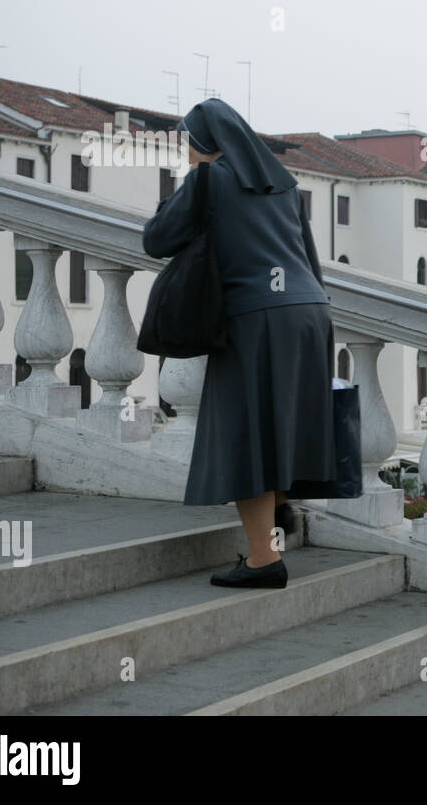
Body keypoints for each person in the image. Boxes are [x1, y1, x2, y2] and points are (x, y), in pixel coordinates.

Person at [143, 98, 334, 589]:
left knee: (244, 438)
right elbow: (308, 257)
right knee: (282, 425)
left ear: (207, 145)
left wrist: (186, 190)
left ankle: (263, 561)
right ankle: (282, 504)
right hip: (309, 312)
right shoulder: (286, 186)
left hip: (257, 318)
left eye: (190, 143)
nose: (186, 153)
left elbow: (157, 239)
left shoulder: (210, 180)